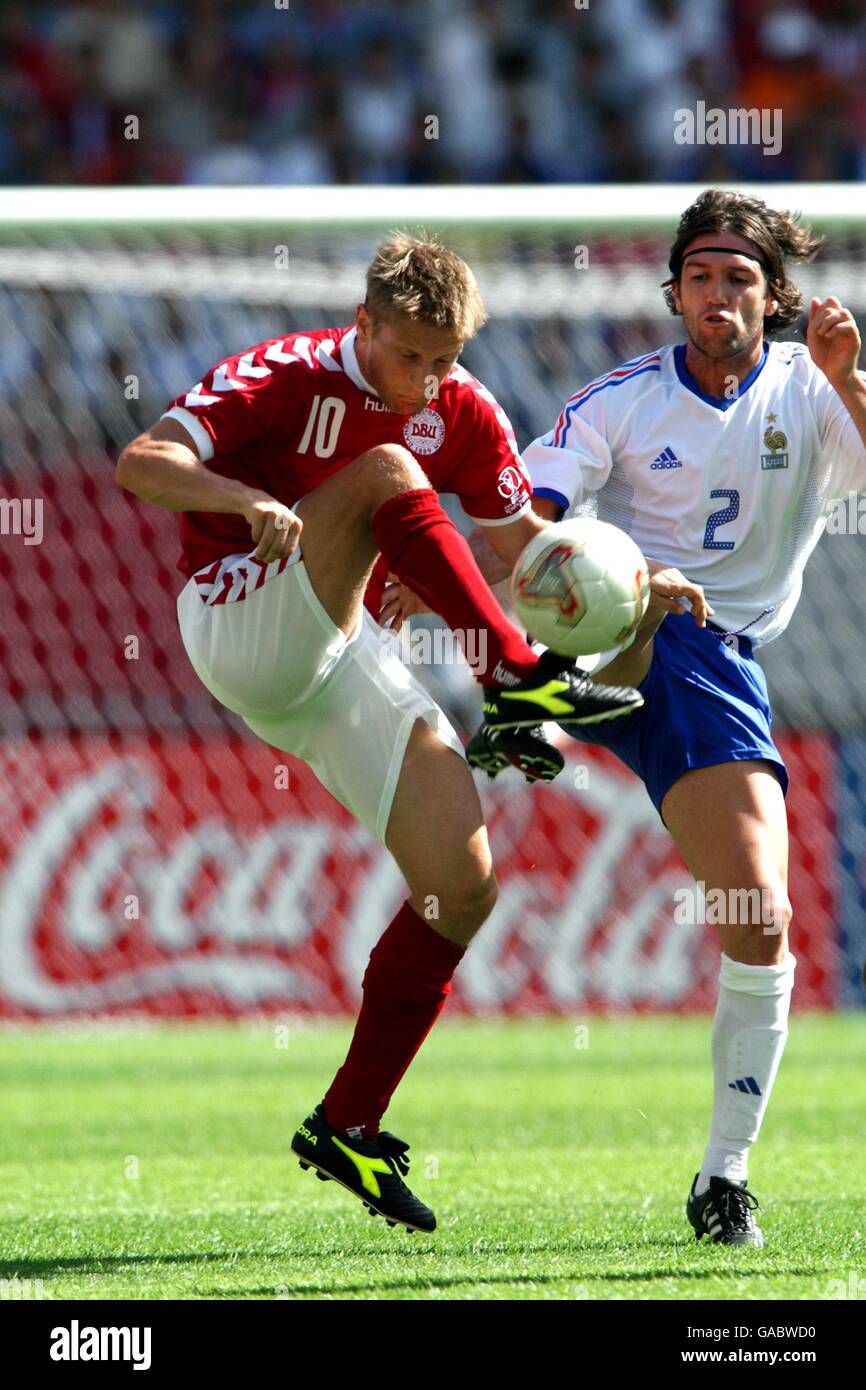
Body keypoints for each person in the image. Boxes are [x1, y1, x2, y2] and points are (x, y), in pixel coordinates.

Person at [115, 234, 641, 1234]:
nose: (429, 380)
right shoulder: (285, 372)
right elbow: (143, 461)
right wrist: (248, 500)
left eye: (446, 359)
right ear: (363, 328)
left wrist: (623, 589)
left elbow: (525, 553)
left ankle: (346, 1124)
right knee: (386, 465)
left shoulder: (464, 410)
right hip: (233, 619)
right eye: (410, 357)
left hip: (332, 652)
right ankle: (517, 685)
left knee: (462, 883)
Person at [473, 188, 866, 1246]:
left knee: (757, 920)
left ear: (770, 296)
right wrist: (574, 573)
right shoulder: (619, 400)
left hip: (718, 668)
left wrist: (848, 380)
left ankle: (720, 1178)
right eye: (697, 276)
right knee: (611, 577)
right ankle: (543, 679)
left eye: (737, 278)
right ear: (673, 291)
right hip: (648, 633)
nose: (714, 295)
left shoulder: (810, 390)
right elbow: (523, 524)